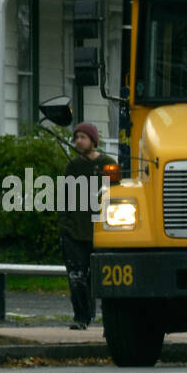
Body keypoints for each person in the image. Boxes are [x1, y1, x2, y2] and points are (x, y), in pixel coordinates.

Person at [60, 123, 112, 330]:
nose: (79, 141)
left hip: (101, 232)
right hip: (75, 233)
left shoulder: (108, 164)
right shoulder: (72, 167)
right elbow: (65, 199)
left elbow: (116, 194)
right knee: (76, 277)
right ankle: (81, 317)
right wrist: (65, 227)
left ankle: (109, 320)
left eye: (83, 137)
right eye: (76, 137)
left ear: (93, 141)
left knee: (103, 278)